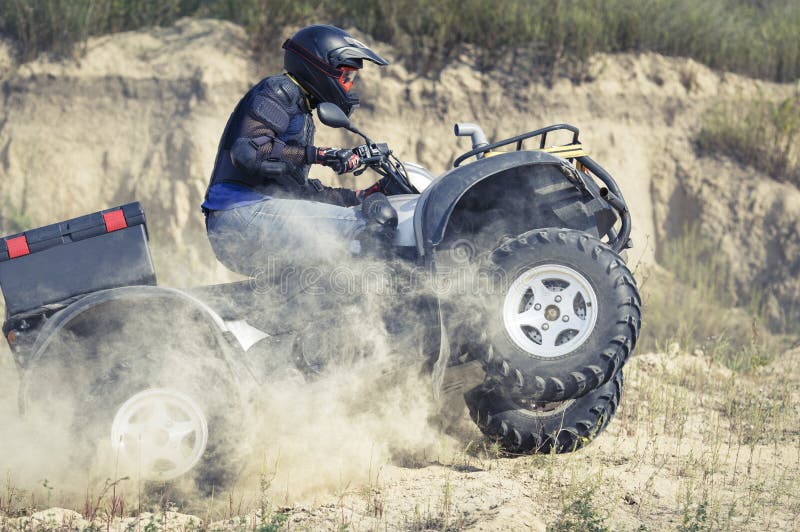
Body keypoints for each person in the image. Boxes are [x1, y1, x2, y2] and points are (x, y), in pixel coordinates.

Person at [202, 24, 394, 276]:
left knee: (327, 266)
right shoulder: (277, 91)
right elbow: (250, 151)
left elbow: (295, 190)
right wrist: (322, 155)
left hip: (253, 218)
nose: (348, 87)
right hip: (240, 214)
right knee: (370, 226)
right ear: (319, 68)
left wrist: (358, 197)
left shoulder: (300, 110)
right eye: (345, 77)